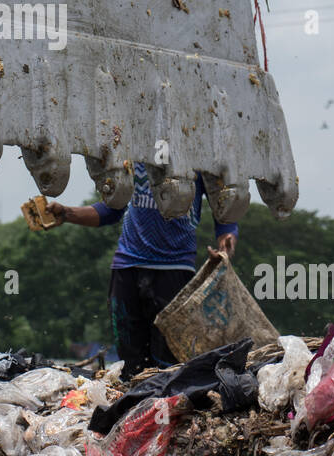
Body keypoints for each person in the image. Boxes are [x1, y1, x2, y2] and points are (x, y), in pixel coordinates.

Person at [50, 162, 238, 378]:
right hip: (128, 267)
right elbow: (112, 209)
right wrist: (66, 213)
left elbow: (224, 211)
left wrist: (227, 239)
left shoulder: (194, 159)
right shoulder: (133, 159)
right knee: (130, 360)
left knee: (168, 361)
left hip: (175, 269)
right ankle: (133, 405)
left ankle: (165, 406)